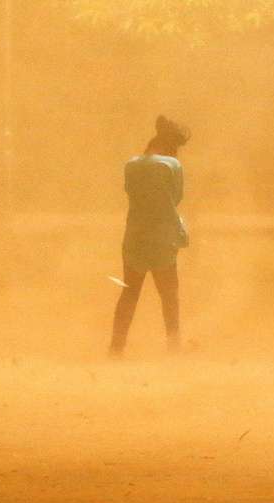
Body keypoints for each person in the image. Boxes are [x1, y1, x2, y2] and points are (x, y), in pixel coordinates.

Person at [109, 115, 191, 356]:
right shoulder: (172, 165)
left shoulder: (131, 165)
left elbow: (131, 193)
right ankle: (174, 347)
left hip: (134, 236)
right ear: (172, 146)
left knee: (129, 292)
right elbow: (175, 198)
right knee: (169, 295)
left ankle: (116, 347)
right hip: (162, 237)